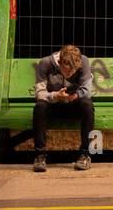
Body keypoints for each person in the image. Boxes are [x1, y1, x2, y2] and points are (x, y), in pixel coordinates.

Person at [32, 44, 95, 172]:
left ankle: (85, 154)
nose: (70, 74)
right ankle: (40, 155)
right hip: (54, 105)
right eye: (67, 70)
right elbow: (40, 94)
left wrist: (75, 96)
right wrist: (56, 96)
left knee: (87, 105)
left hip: (73, 104)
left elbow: (87, 90)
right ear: (60, 62)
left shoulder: (83, 61)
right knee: (39, 107)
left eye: (73, 71)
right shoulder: (45, 63)